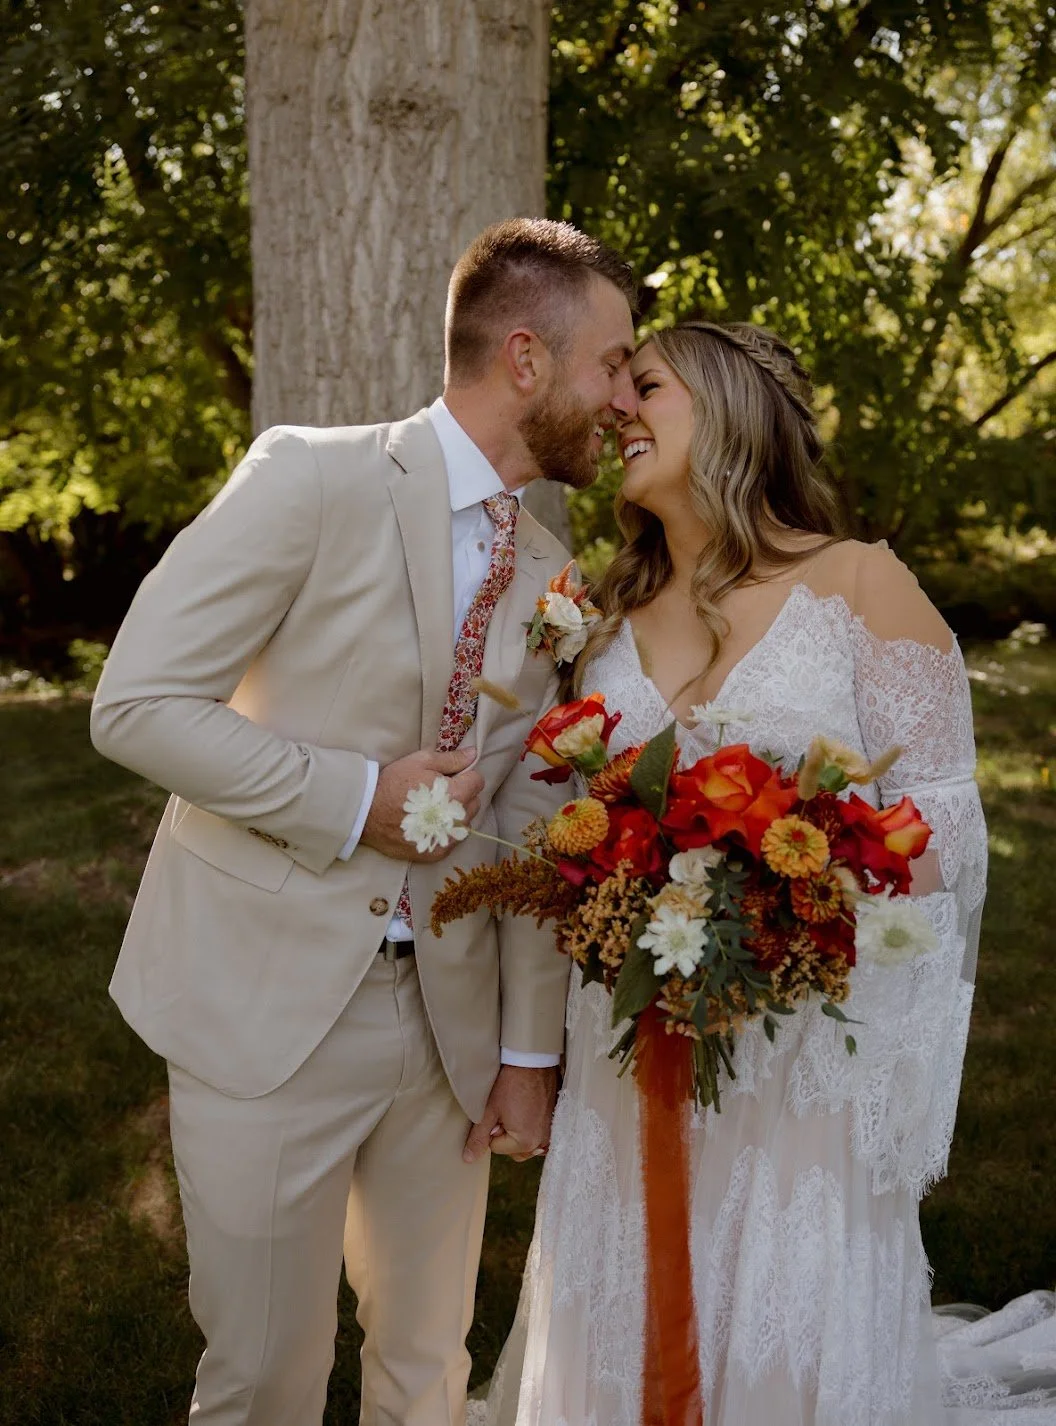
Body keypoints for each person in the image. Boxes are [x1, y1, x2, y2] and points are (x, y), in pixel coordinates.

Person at [89, 217, 638, 1426]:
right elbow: (135, 707)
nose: (625, 398)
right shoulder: (311, 476)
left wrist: (530, 1054)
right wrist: (355, 799)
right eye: (612, 363)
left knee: (426, 1372)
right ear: (527, 358)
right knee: (266, 1380)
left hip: (445, 1034)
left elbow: (543, 818)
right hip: (261, 1010)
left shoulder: (554, 570)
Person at [476, 319, 1019, 1425]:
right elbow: (563, 823)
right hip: (632, 1042)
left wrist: (786, 901)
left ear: (729, 408)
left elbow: (949, 834)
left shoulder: (861, 585)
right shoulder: (596, 621)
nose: (618, 408)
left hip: (794, 1052)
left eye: (649, 386)